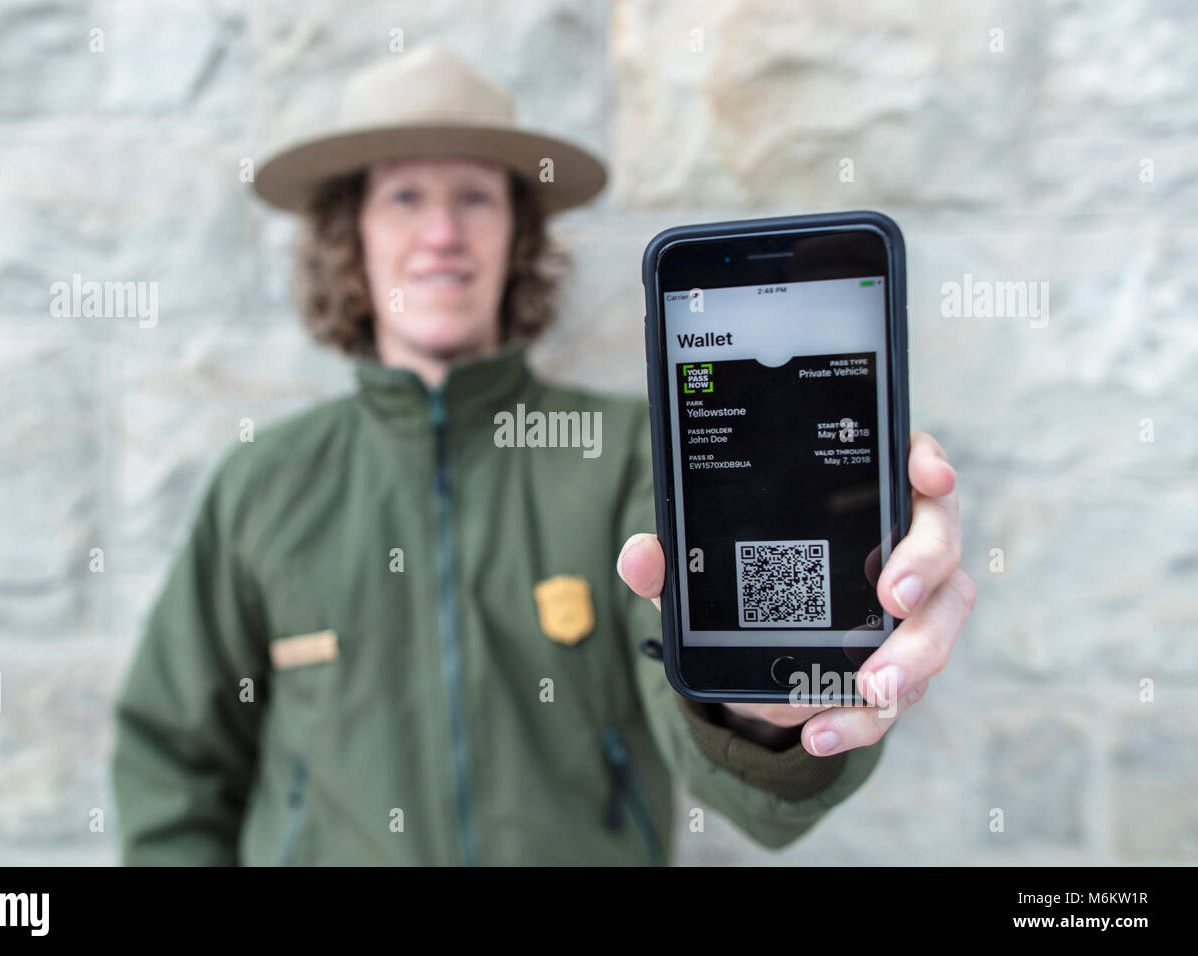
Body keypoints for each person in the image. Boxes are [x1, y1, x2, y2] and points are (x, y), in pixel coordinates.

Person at [110, 43, 975, 866]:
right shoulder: (264, 483)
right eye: (405, 197)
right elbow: (171, 761)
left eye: (476, 198)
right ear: (352, 237)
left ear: (517, 235)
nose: (442, 232)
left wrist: (767, 717)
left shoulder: (636, 454)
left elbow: (729, 753)